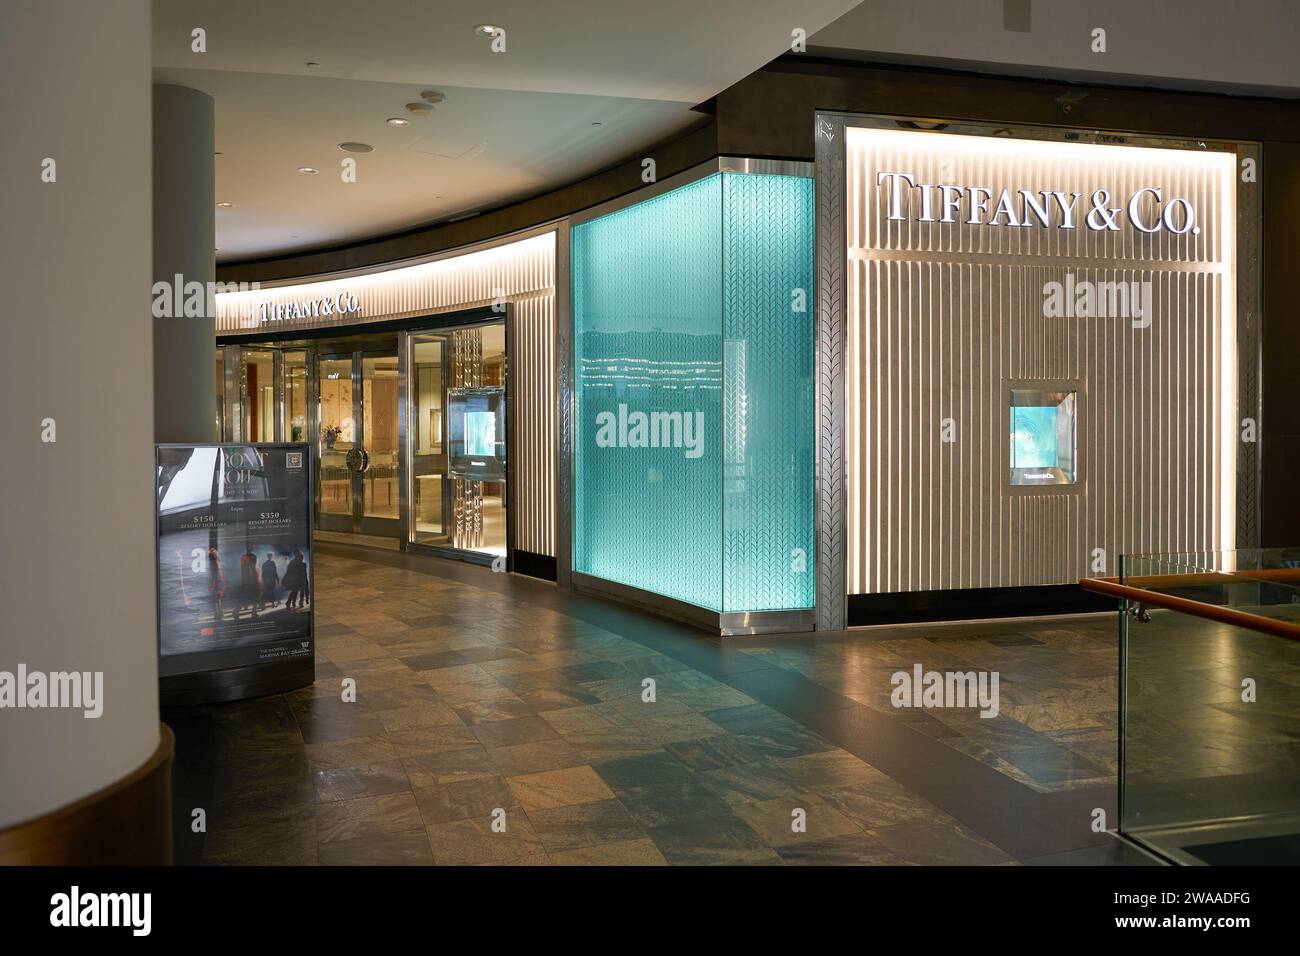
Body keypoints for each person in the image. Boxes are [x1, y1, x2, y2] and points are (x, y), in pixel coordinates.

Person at [237, 548, 260, 619]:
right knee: (255, 596)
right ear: (252, 549)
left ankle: (236, 610)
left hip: (245, 580)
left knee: (246, 596)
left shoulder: (242, 557)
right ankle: (254, 612)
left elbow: (242, 570)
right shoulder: (254, 556)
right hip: (252, 580)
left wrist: (242, 580)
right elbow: (253, 568)